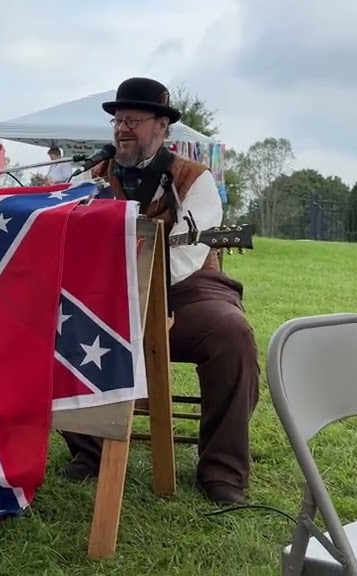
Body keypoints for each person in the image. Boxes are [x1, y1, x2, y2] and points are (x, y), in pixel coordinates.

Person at [58, 76, 259, 506]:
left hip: (189, 291)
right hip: (108, 291)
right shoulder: (93, 174)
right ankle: (88, 450)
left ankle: (222, 470)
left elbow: (187, 255)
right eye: (117, 121)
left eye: (133, 120)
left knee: (231, 334)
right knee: (61, 321)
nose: (122, 129)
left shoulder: (194, 179)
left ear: (162, 127)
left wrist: (138, 291)